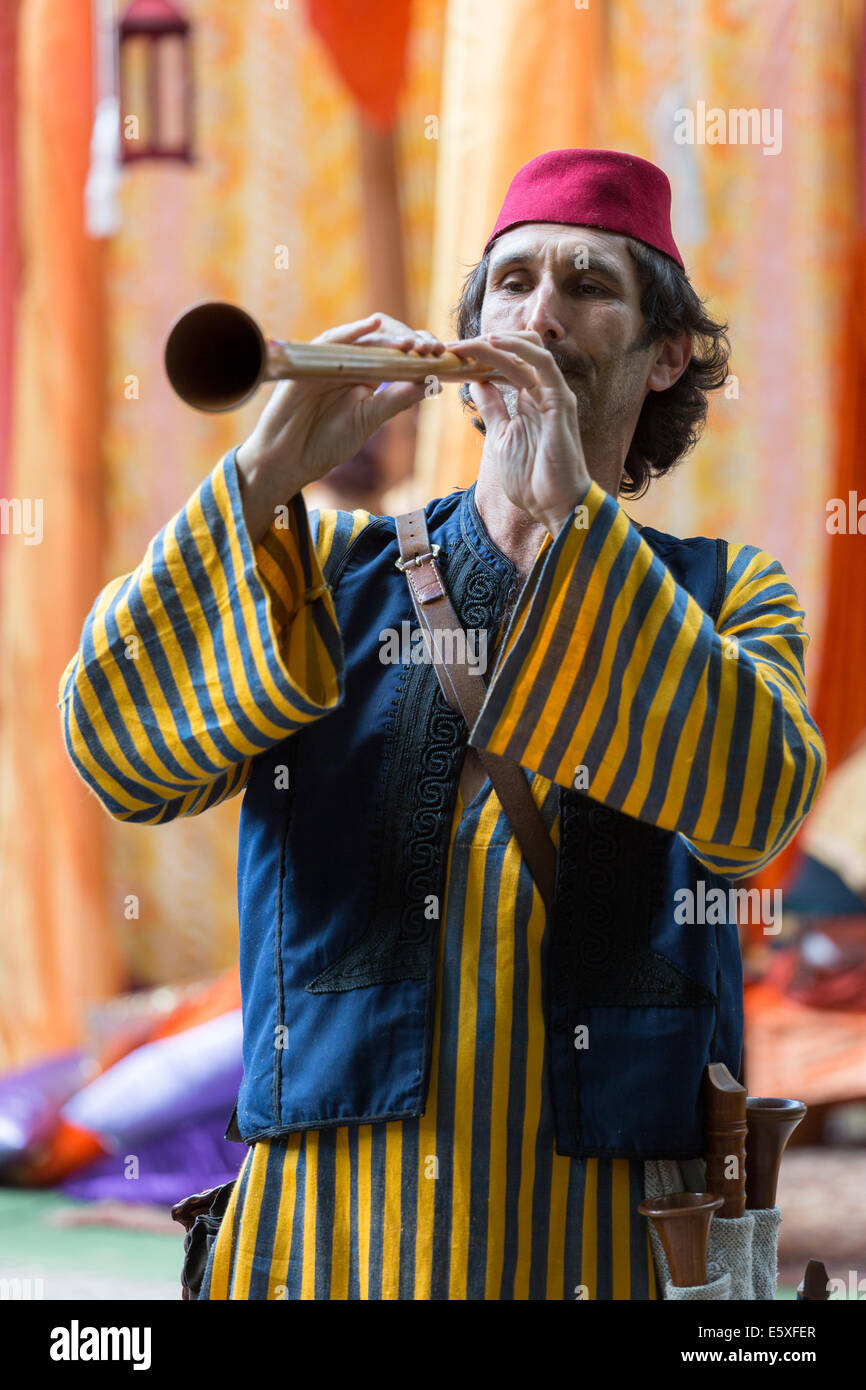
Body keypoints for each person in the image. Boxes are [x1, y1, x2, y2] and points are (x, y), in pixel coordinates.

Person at [58, 148, 827, 1300]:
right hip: (334, 1227)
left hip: (613, 1225)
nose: (540, 310)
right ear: (463, 365)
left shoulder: (729, 595)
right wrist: (264, 468)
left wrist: (568, 518)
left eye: (588, 284)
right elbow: (118, 747)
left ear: (666, 355)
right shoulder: (325, 568)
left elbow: (751, 803)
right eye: (509, 284)